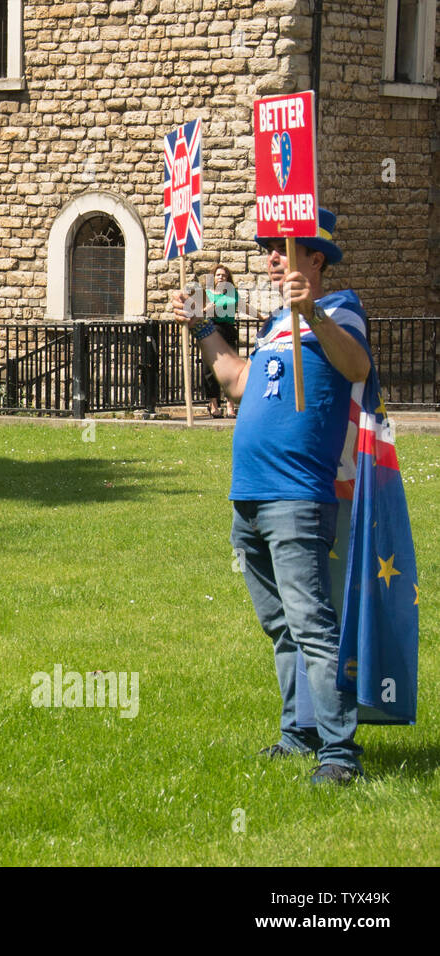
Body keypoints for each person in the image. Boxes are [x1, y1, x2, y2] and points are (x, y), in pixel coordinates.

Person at [172, 208, 370, 785]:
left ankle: (340, 755)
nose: (273, 256)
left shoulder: (341, 310)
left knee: (311, 625)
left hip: (296, 494)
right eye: (270, 249)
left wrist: (312, 313)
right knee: (282, 625)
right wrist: (202, 327)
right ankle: (298, 734)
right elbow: (236, 381)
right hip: (250, 495)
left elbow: (356, 366)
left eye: (285, 248)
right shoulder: (273, 328)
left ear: (317, 258)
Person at [202, 264, 240, 418]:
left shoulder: (232, 293)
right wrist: (205, 309)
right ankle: (213, 405)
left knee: (230, 369)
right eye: (218, 275)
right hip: (210, 330)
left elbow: (228, 305)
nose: (221, 278)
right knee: (210, 370)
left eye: (224, 275)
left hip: (227, 331)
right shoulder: (205, 294)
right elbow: (197, 310)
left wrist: (212, 307)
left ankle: (230, 406)